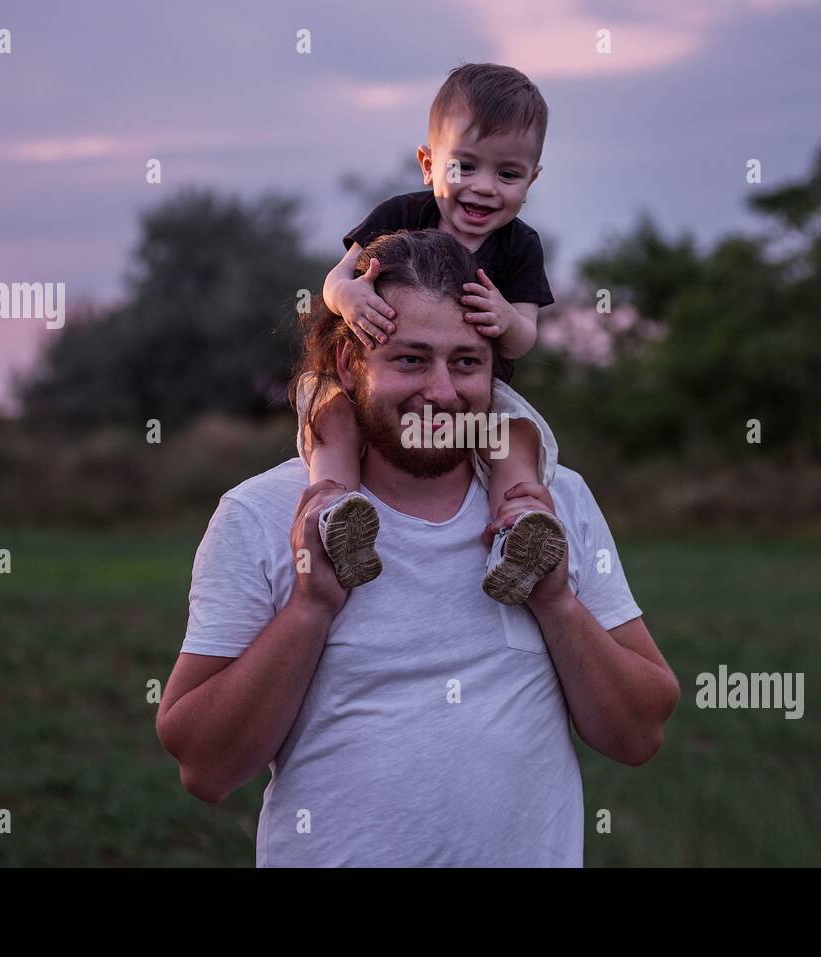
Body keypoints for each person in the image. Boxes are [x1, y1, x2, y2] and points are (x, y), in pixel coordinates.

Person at [157, 229, 680, 867]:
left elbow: (639, 732)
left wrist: (557, 604)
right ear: (350, 365)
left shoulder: (554, 502)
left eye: (465, 363)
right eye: (410, 359)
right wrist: (310, 608)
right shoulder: (259, 515)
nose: (441, 392)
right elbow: (203, 767)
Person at [301, 62, 565, 604]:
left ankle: (520, 527)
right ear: (428, 163)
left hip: (477, 397)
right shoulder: (402, 214)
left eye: (508, 175)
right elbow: (335, 281)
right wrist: (348, 296)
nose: (484, 189)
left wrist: (504, 319)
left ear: (532, 180)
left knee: (512, 436)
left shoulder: (520, 247)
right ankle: (334, 510)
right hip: (366, 387)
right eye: (465, 166)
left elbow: (524, 339)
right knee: (332, 416)